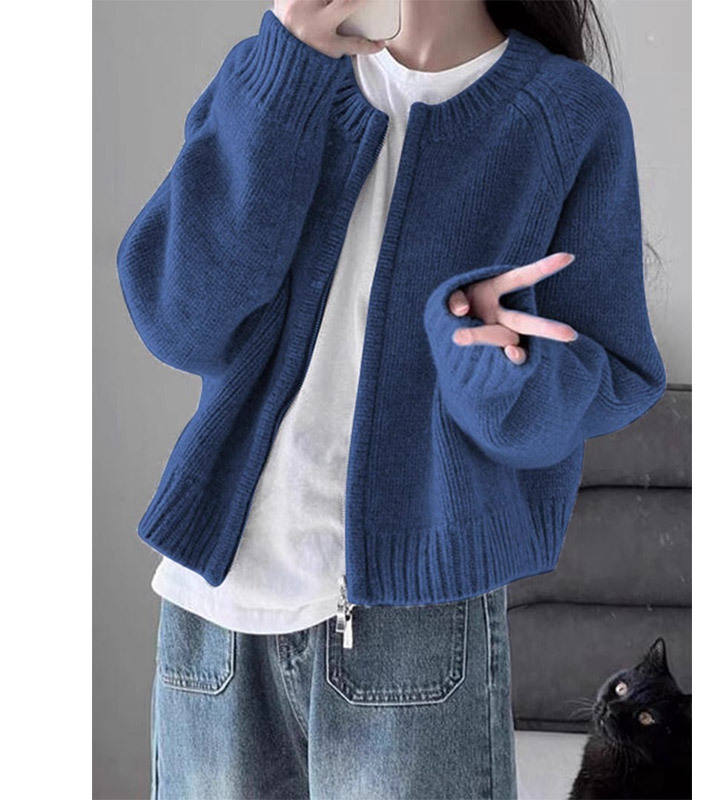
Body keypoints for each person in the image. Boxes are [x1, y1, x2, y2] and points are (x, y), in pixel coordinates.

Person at [116, 0, 667, 797]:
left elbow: (610, 376)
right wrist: (283, 80)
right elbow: (180, 322)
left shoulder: (567, 116)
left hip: (418, 624)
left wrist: (492, 367)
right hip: (214, 611)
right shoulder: (271, 75)